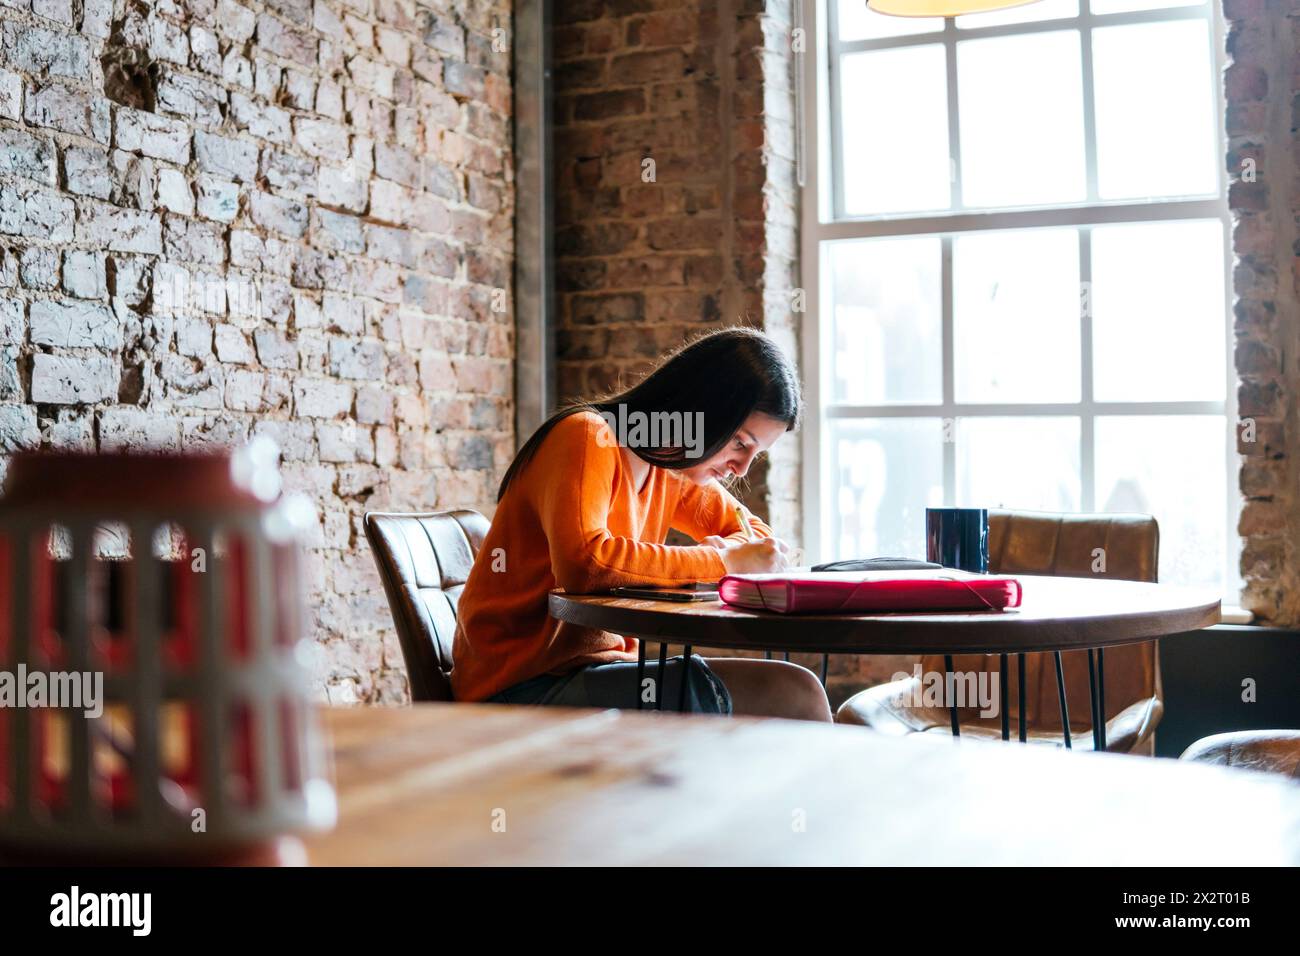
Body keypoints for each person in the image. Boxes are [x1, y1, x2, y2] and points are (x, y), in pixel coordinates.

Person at [450, 326, 832, 721]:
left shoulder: (671, 468)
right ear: (701, 410)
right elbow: (586, 564)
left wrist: (739, 555)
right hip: (518, 689)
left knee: (795, 687)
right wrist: (724, 562)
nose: (742, 467)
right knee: (794, 694)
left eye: (758, 454)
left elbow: (757, 539)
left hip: (597, 671)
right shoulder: (588, 438)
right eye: (739, 442)